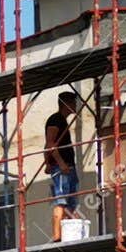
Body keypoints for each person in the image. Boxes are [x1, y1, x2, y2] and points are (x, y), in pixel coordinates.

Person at [45, 90, 81, 241]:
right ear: (67, 104)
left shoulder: (62, 120)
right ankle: (57, 235)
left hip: (67, 166)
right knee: (61, 200)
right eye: (73, 102)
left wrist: (48, 163)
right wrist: (59, 163)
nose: (76, 106)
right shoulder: (56, 119)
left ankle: (71, 233)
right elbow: (50, 143)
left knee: (71, 201)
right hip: (62, 167)